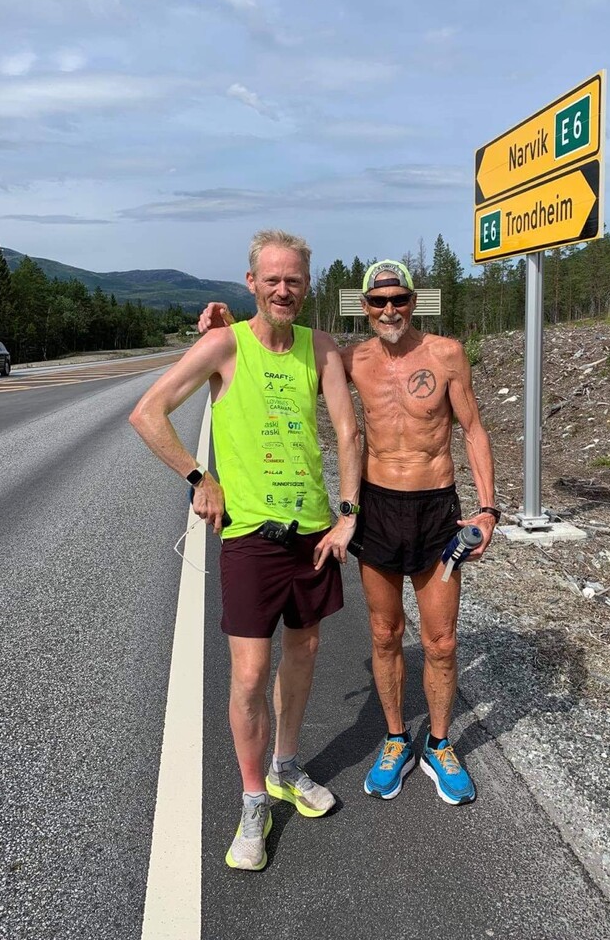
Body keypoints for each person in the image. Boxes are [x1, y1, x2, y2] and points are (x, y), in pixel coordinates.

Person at [199, 259, 497, 807]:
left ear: (414, 300)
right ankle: (393, 740)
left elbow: (473, 430)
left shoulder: (447, 354)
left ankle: (438, 743)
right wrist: (229, 329)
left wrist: (487, 510)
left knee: (442, 641)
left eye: (399, 299)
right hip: (379, 509)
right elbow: (276, 361)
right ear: (365, 307)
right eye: (378, 302)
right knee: (384, 635)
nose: (390, 310)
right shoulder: (349, 358)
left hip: (437, 510)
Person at [130, 229, 361, 872]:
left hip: (314, 531)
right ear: (252, 282)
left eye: (294, 279)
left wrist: (348, 515)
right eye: (272, 278)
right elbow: (148, 412)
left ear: (306, 285)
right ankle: (253, 800)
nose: (283, 289)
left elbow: (347, 431)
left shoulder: (320, 347)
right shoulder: (225, 344)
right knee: (251, 674)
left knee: (305, 653)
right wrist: (198, 477)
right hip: (249, 538)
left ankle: (288, 766)